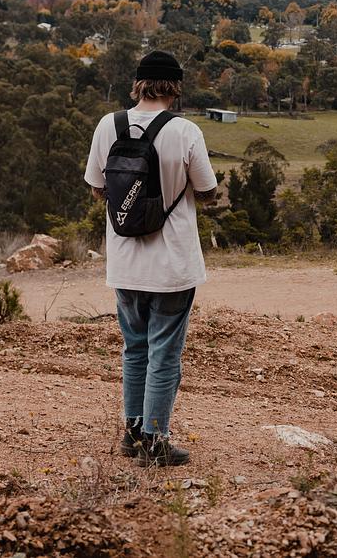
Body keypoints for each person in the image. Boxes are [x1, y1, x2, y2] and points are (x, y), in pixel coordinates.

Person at [84, 50, 218, 467]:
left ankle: (131, 433)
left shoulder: (108, 125)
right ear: (174, 87)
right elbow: (208, 191)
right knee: (164, 352)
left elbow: (96, 188)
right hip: (173, 265)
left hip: (124, 263)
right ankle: (156, 440)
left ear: (138, 83)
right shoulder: (186, 131)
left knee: (134, 348)